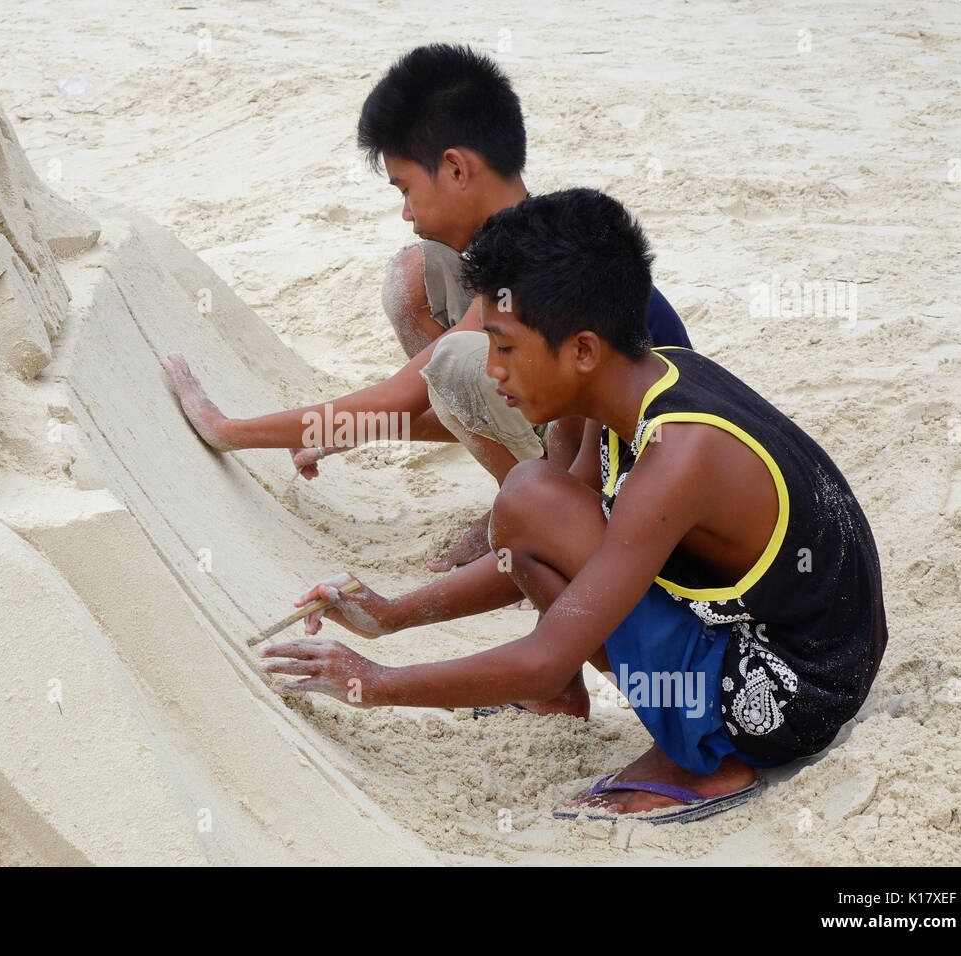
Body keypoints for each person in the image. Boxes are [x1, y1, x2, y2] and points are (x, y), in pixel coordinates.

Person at [262, 189, 888, 823]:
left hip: (793, 693)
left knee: (532, 495)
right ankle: (655, 718)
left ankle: (709, 757)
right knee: (531, 498)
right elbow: (539, 542)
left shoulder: (679, 458)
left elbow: (542, 662)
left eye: (504, 346)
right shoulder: (635, 384)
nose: (495, 369)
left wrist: (371, 682)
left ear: (583, 350)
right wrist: (391, 615)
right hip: (785, 632)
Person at [164, 44, 690, 571]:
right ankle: (521, 490)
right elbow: (408, 399)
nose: (406, 212)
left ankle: (534, 517)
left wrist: (229, 430)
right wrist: (346, 429)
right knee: (414, 278)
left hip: (631, 465)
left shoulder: (534, 275)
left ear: (457, 169)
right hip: (588, 421)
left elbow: (406, 394)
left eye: (407, 188)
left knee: (456, 363)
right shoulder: (536, 232)